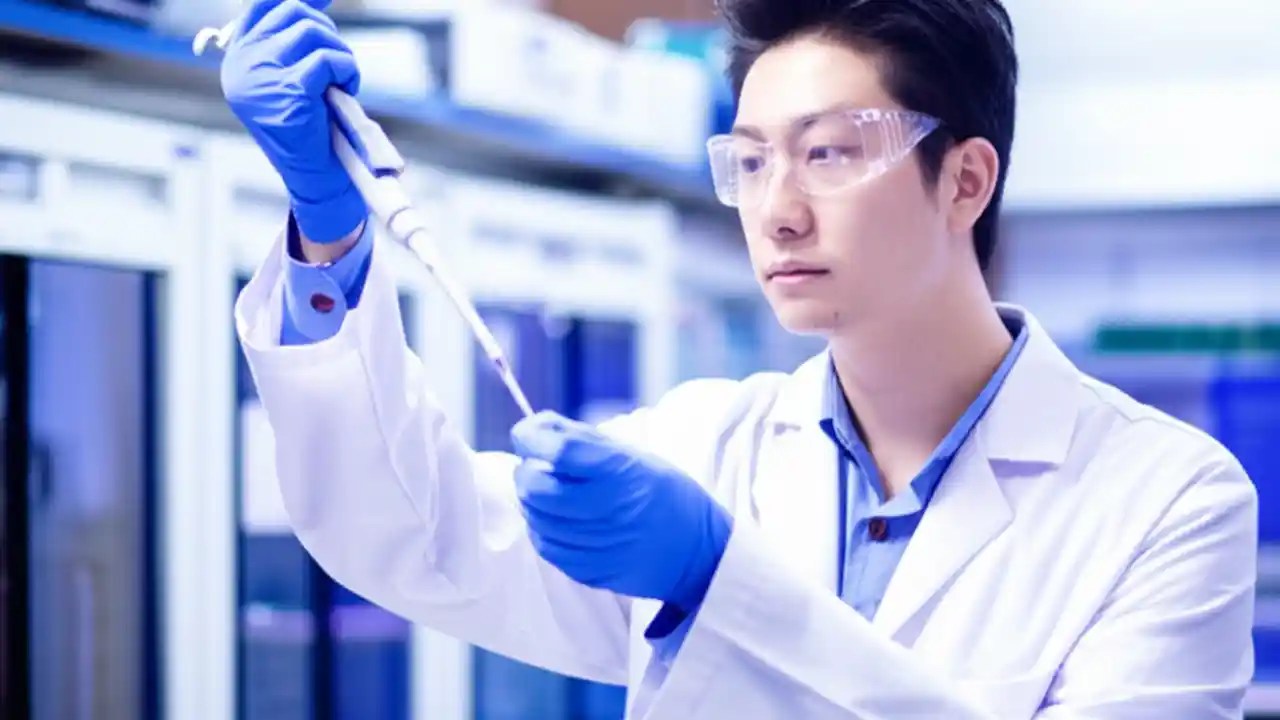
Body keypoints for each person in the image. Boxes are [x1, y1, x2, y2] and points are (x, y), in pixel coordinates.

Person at [225, 0, 1259, 716]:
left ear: (964, 180)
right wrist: (329, 234)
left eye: (826, 153)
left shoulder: (1164, 502)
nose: (777, 210)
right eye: (752, 159)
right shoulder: (704, 448)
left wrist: (716, 580)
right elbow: (417, 532)